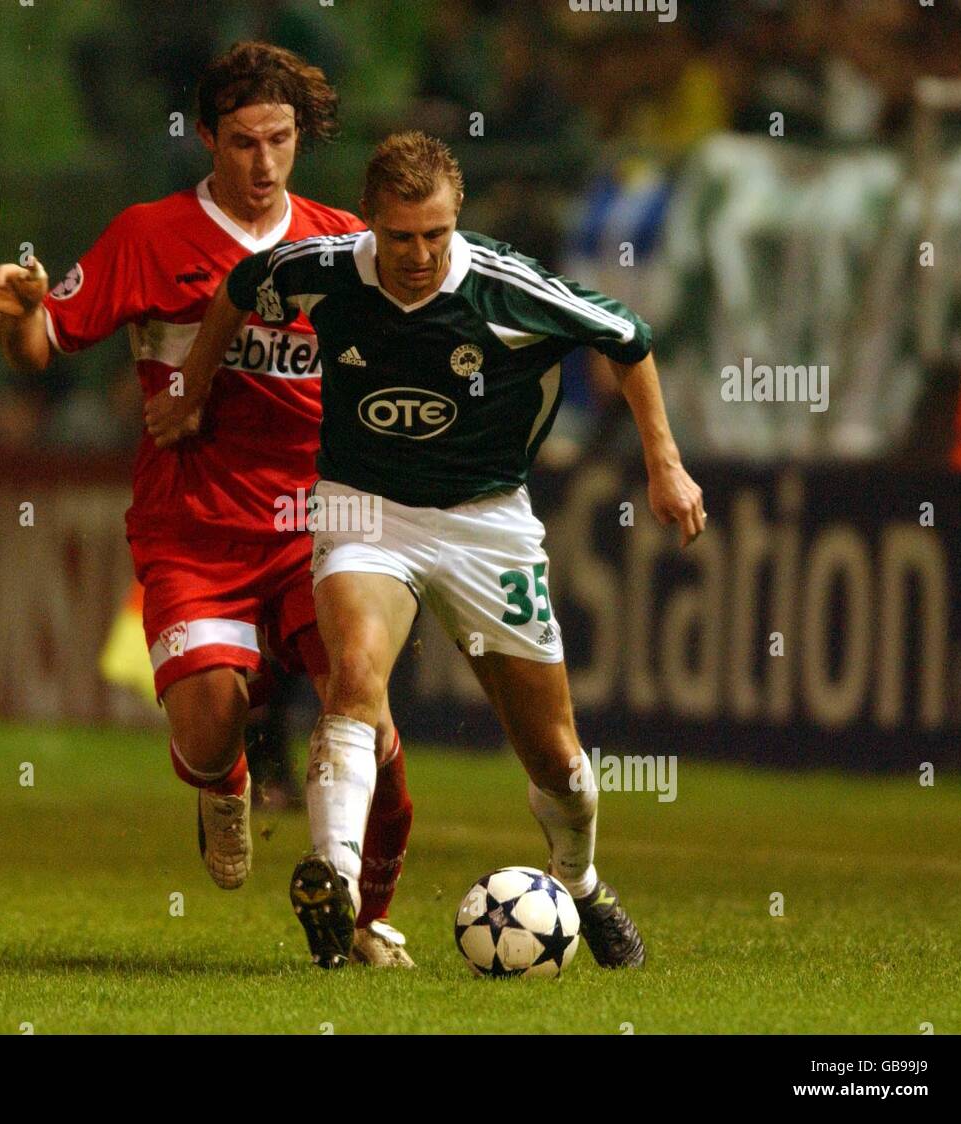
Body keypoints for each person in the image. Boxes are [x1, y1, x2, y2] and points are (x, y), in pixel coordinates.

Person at [148, 131, 707, 970]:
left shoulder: (505, 287)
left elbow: (627, 337)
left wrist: (665, 464)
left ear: (458, 222)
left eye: (436, 235)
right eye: (401, 236)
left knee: (557, 758)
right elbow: (236, 289)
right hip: (366, 507)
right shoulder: (326, 269)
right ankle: (332, 877)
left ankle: (582, 883)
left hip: (487, 523)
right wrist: (191, 386)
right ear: (369, 221)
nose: (418, 255)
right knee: (357, 678)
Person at [0, 43, 414, 968]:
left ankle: (361, 917)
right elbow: (45, 346)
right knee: (211, 725)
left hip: (319, 531)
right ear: (207, 138)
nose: (264, 164)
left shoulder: (341, 244)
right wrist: (21, 312)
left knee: (362, 712)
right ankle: (226, 783)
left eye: (282, 141)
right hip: (196, 529)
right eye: (245, 142)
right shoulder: (149, 235)